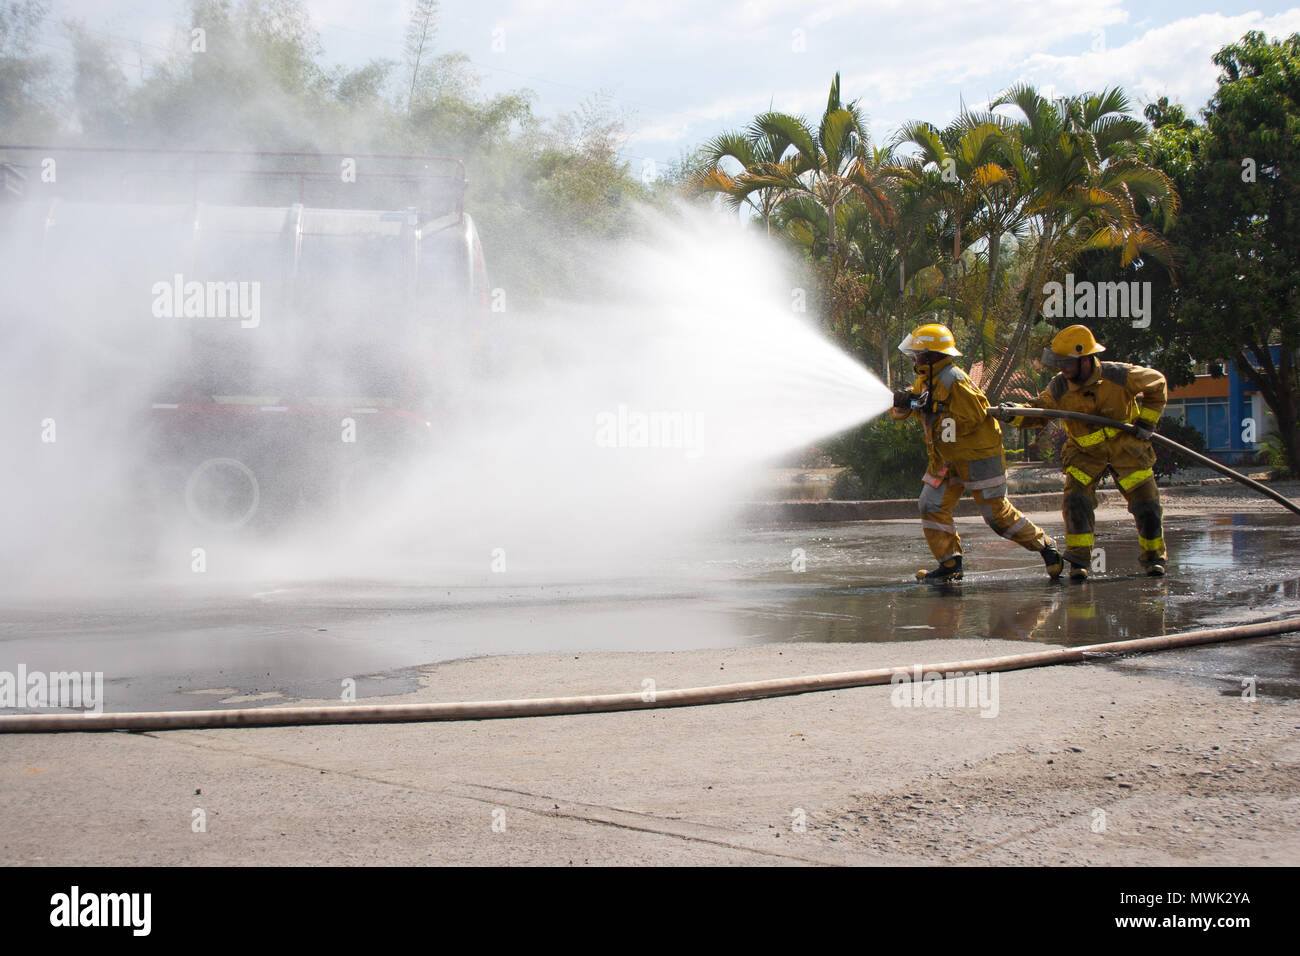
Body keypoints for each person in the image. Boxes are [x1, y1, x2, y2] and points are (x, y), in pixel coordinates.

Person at [990, 324, 1167, 580]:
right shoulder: (1060, 386)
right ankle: (1079, 561)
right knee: (1076, 502)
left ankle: (1153, 560)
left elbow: (1157, 383)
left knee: (1147, 505)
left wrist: (1147, 422)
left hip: (1126, 450)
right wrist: (1013, 413)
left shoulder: (1119, 375)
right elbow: (1041, 411)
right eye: (1059, 363)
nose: (1062, 369)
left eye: (1068, 363)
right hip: (1085, 454)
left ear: (1086, 359)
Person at [890, 323, 1062, 583]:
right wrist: (904, 403)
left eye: (918, 353)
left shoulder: (954, 379)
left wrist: (932, 407)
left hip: (978, 458)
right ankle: (950, 564)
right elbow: (906, 412)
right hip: (947, 460)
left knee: (997, 517)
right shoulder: (926, 381)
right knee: (930, 504)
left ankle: (1046, 546)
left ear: (933, 354)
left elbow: (973, 416)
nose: (914, 358)